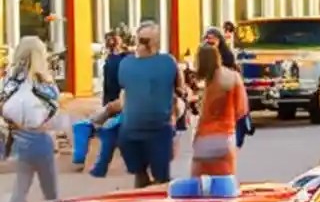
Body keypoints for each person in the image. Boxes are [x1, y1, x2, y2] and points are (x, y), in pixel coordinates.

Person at [112, 23, 181, 188]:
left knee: (147, 178)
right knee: (159, 181)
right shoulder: (168, 62)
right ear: (156, 43)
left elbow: (124, 89)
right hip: (151, 130)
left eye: (142, 40)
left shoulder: (126, 64)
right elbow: (179, 89)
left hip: (136, 130)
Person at [1, 37, 61, 202]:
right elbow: (51, 115)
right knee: (50, 193)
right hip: (40, 138)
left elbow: (4, 108)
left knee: (20, 190)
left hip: (18, 139)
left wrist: (13, 124)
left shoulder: (7, 84)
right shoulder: (45, 85)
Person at [72, 29, 130, 176]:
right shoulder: (120, 60)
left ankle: (88, 162)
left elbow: (115, 91)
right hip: (116, 104)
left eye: (113, 41)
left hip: (120, 107)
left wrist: (108, 109)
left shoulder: (118, 61)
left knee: (93, 127)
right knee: (90, 125)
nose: (111, 44)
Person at [190, 44, 248, 177]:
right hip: (225, 138)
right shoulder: (232, 77)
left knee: (198, 186)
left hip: (203, 140)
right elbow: (242, 109)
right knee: (225, 185)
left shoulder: (202, 84)